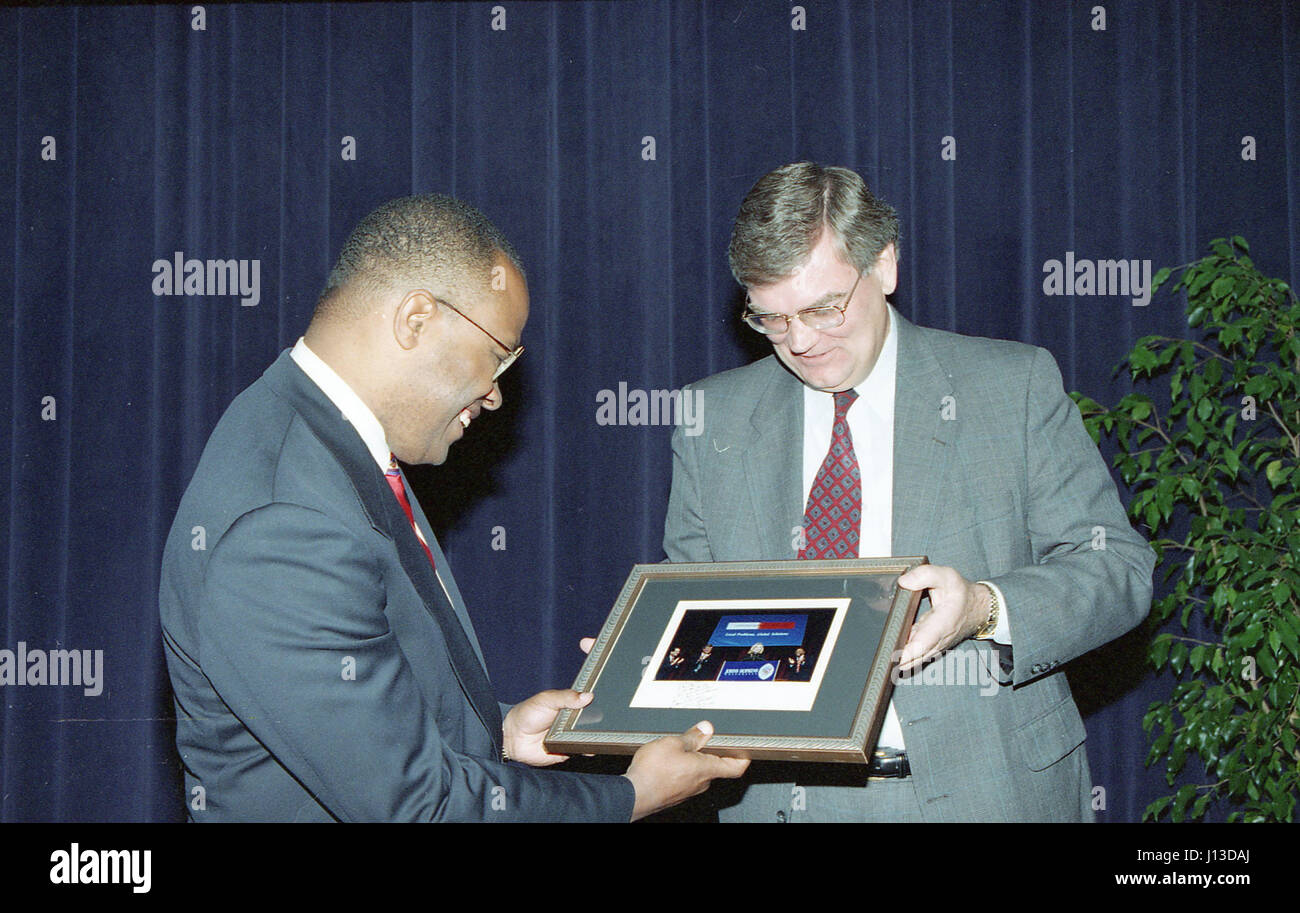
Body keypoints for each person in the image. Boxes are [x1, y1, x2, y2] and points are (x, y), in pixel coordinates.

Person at [159, 194, 747, 822]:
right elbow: (419, 807)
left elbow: (364, 723)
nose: (496, 396)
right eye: (499, 356)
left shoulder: (324, 440)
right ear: (416, 319)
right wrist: (631, 796)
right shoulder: (286, 523)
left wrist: (500, 733)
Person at [663, 162, 1154, 822]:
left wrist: (984, 605)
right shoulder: (710, 420)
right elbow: (697, 604)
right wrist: (651, 655)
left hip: (992, 795)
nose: (800, 341)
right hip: (785, 802)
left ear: (886, 266)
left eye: (822, 307)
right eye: (770, 319)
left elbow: (1118, 572)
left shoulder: (1012, 387)